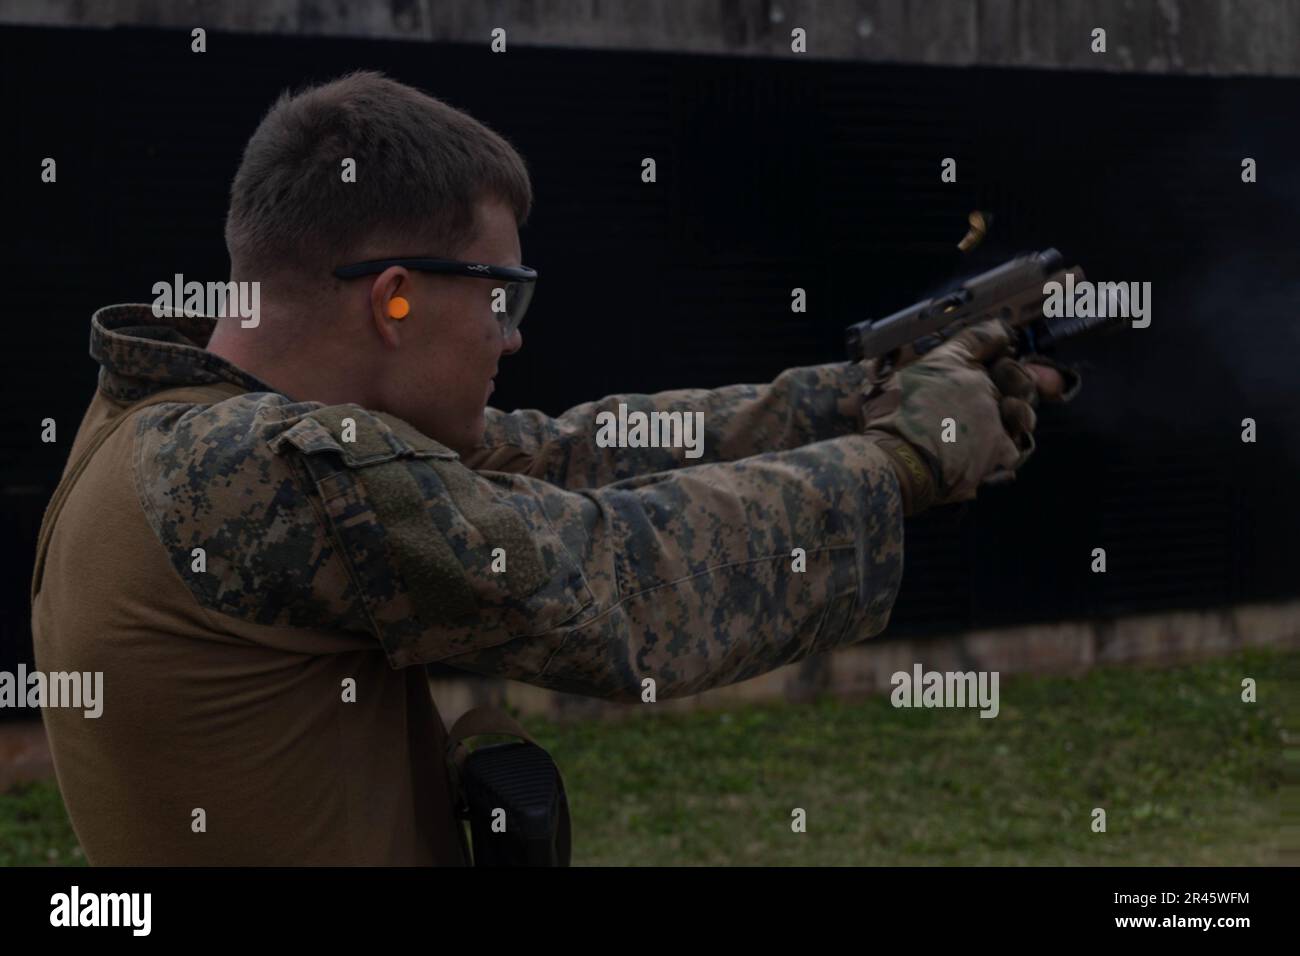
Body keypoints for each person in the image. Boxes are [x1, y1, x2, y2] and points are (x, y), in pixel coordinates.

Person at [30, 71, 1075, 865]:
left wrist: (850, 396)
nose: (511, 338)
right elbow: (619, 577)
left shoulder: (167, 425)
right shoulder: (266, 471)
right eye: (503, 298)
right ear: (394, 296)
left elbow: (571, 451)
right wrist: (904, 460)